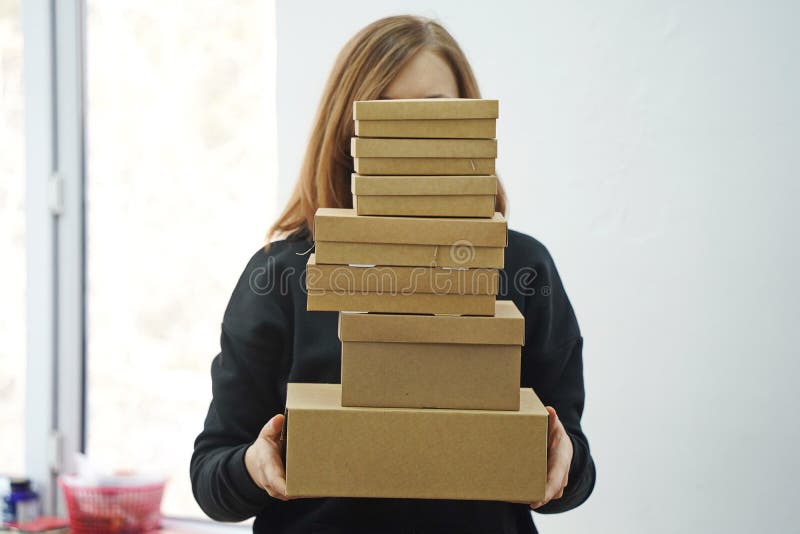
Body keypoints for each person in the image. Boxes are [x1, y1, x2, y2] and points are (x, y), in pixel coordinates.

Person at [190, 15, 595, 534]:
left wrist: (563, 466)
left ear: (470, 126)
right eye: (384, 116)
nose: (411, 141)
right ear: (348, 133)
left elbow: (574, 465)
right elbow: (211, 479)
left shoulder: (523, 268)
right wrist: (253, 465)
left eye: (433, 115)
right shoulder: (282, 276)